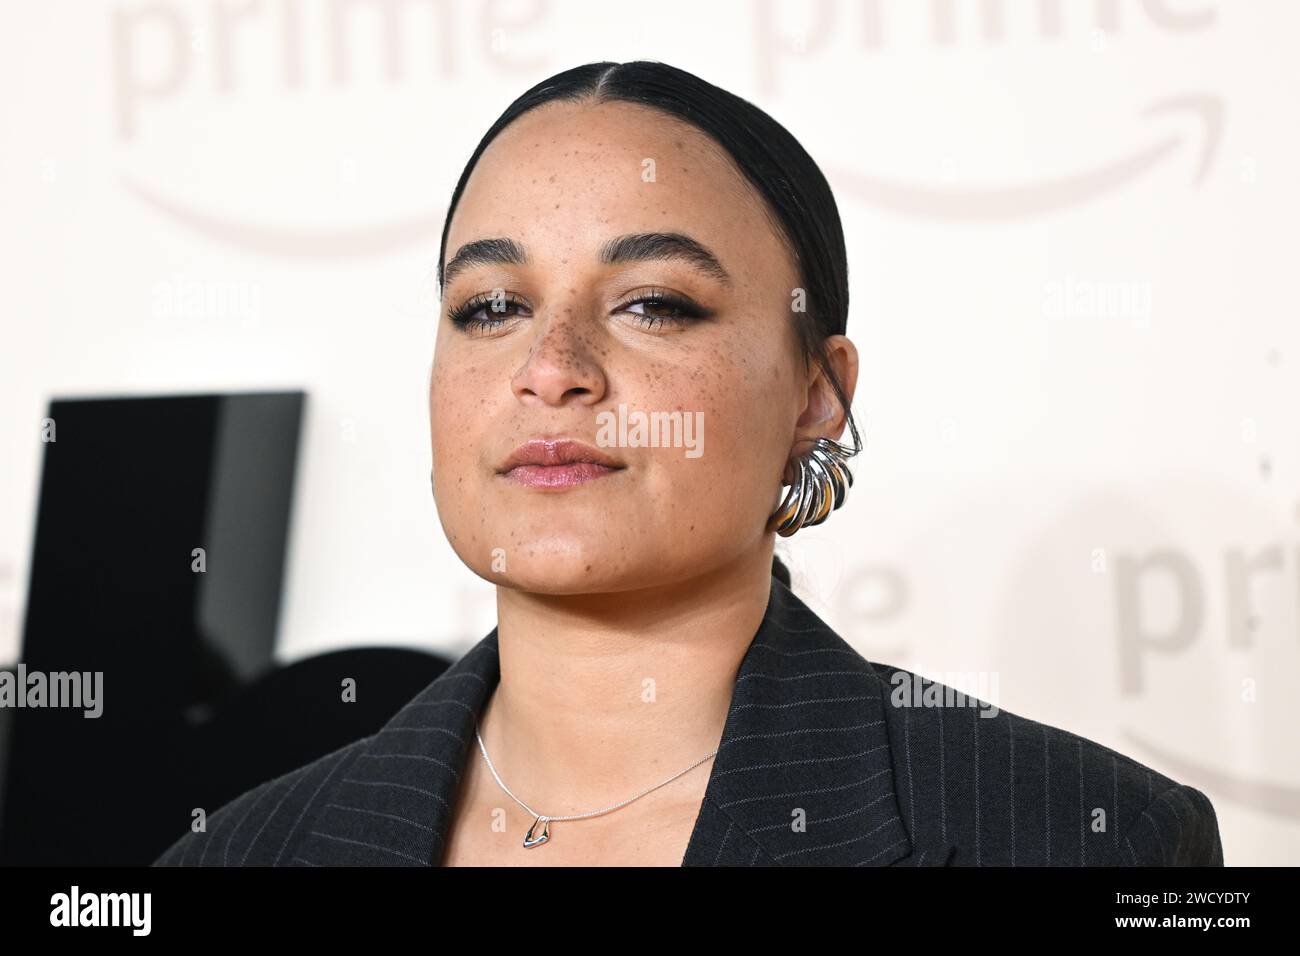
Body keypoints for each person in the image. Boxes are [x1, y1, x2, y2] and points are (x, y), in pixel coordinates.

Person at [153, 60, 1222, 867]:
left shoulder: (1082, 835)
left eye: (654, 303)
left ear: (816, 394)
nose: (552, 368)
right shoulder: (233, 854)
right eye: (491, 307)